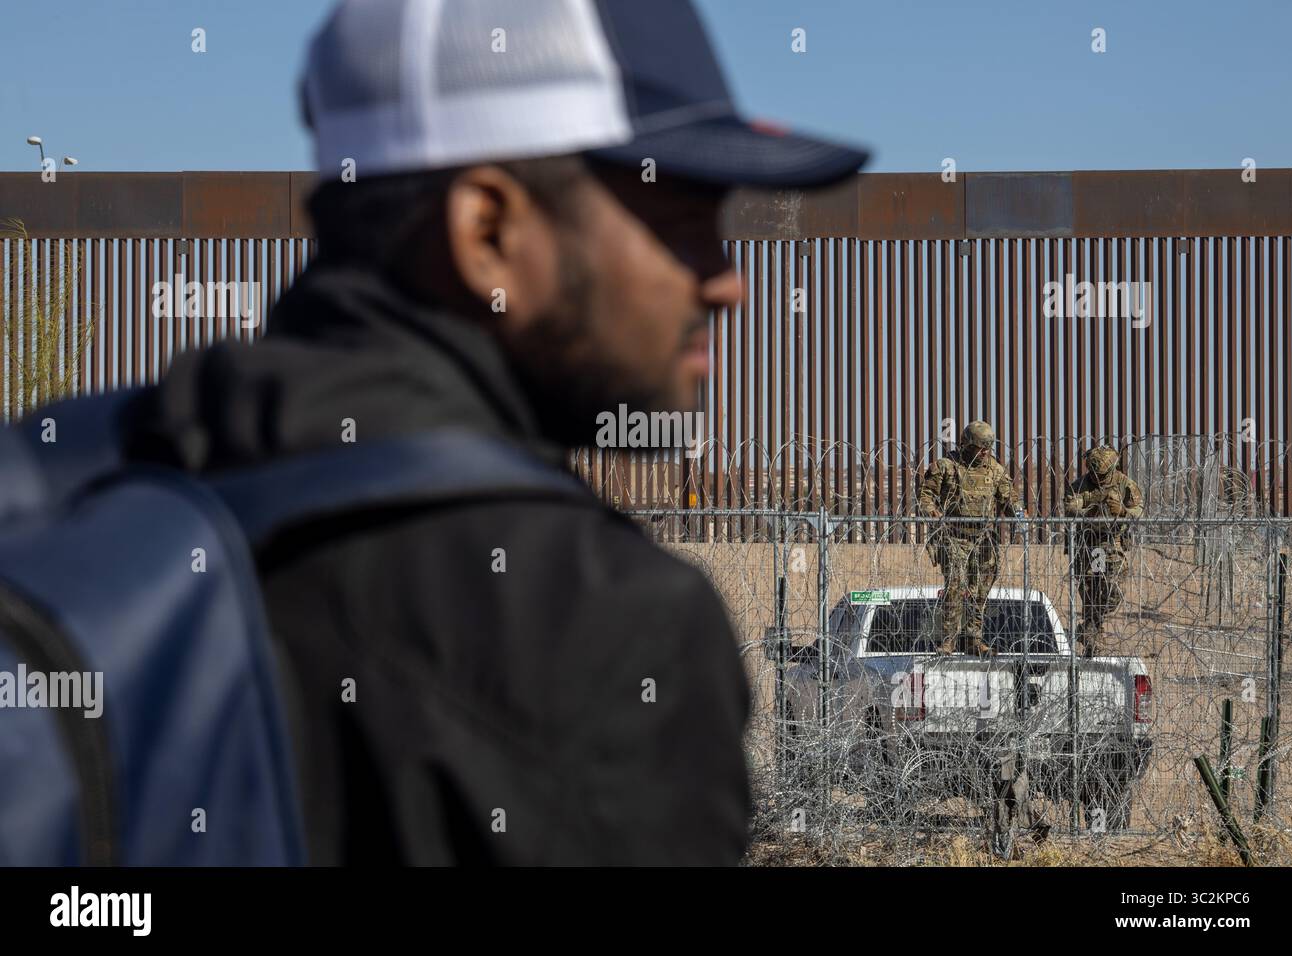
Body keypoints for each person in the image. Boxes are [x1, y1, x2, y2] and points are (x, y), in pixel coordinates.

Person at [120, 0, 869, 864]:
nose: (727, 283)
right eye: (682, 220)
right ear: (486, 231)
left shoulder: (75, 482)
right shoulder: (616, 629)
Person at [918, 422, 1022, 656]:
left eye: (988, 448)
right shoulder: (947, 467)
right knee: (955, 585)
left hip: (984, 540)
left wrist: (1019, 514)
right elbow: (925, 496)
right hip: (955, 537)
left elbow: (1009, 499)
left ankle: (973, 638)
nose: (985, 452)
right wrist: (932, 511)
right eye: (980, 448)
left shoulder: (995, 470)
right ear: (967, 444)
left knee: (980, 590)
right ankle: (949, 640)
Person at [1063, 444, 1143, 658]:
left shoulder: (1124, 483)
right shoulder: (1080, 485)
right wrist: (1089, 510)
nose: (1097, 479)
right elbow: (1069, 508)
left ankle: (1087, 630)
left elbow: (1139, 508)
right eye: (1094, 474)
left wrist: (1123, 512)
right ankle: (1093, 642)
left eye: (1102, 475)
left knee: (1111, 591)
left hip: (1112, 542)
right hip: (1088, 544)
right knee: (1090, 592)